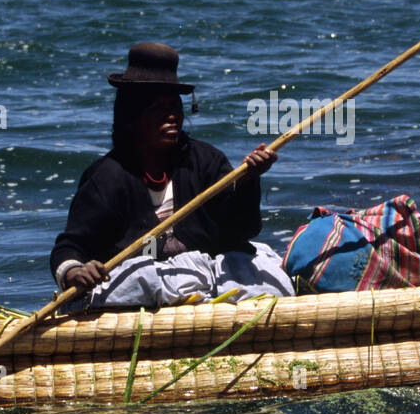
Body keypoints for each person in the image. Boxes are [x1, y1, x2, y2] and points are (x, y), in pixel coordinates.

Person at [50, 42, 294, 308]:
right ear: (130, 118)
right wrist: (75, 272)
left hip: (208, 275)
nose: (172, 117)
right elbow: (70, 246)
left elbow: (243, 230)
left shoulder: (206, 161)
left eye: (175, 107)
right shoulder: (107, 177)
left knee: (265, 276)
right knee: (146, 278)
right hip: (144, 283)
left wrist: (247, 182)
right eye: (157, 109)